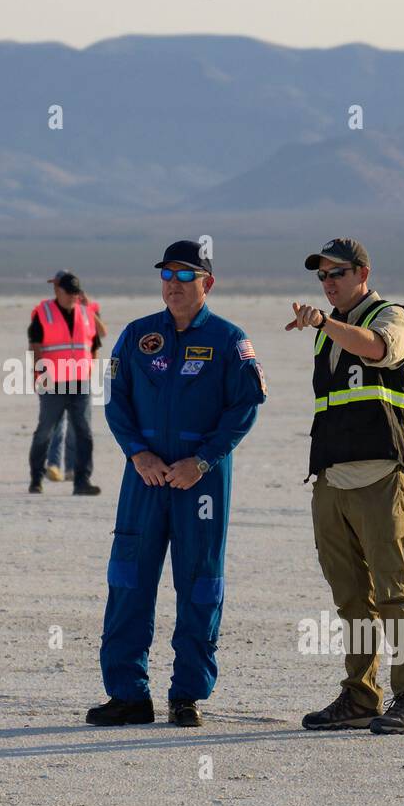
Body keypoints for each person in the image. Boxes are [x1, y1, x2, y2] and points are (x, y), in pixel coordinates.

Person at [87, 240, 266, 728]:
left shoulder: (230, 341)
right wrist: (138, 453)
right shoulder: (138, 335)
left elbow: (243, 409)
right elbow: (116, 400)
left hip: (199, 483)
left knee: (200, 583)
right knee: (128, 580)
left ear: (208, 282)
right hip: (144, 478)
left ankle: (187, 695)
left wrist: (203, 461)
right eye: (167, 274)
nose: (174, 284)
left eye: (186, 276)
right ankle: (128, 695)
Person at [288, 238, 404, 735]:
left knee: (392, 592)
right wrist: (325, 327)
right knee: (350, 596)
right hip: (331, 480)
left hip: (377, 478)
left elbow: (378, 350)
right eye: (322, 276)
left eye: (338, 273)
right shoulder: (325, 334)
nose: (329, 283)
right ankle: (360, 695)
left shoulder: (391, 316)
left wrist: (326, 322)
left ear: (363, 272)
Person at [26, 272, 101, 495]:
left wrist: (89, 370)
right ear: (58, 292)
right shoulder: (43, 313)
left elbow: (94, 344)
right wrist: (39, 373)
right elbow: (36, 347)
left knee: (84, 432)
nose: (72, 297)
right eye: (68, 293)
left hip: (80, 382)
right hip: (53, 382)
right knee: (45, 432)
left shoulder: (86, 314)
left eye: (75, 293)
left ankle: (82, 482)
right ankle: (36, 479)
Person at [45, 277, 107, 481]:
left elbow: (97, 340)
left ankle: (71, 468)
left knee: (76, 425)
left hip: (81, 376)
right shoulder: (51, 312)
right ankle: (53, 465)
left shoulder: (87, 312)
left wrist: (87, 308)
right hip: (56, 374)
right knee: (57, 423)